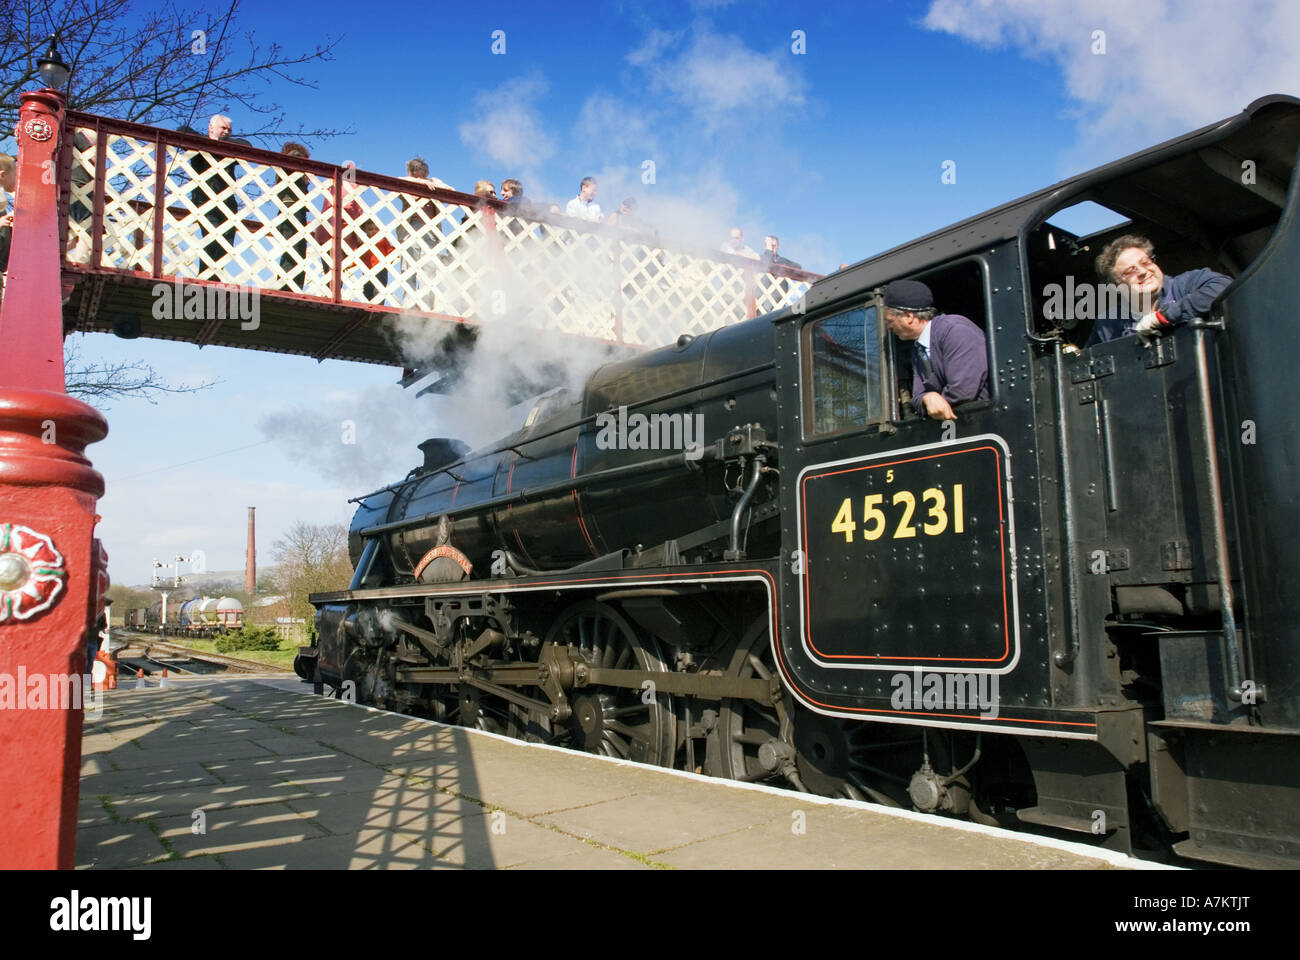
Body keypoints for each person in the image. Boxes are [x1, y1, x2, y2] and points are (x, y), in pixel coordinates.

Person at [1086, 235, 1233, 347]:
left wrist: (1162, 317)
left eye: (1145, 262)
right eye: (1130, 271)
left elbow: (1226, 287)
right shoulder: (1109, 323)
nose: (1143, 271)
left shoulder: (1188, 284)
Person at [883, 279, 989, 421]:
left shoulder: (955, 331)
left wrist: (932, 401)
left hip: (979, 420)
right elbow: (917, 397)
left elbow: (963, 390)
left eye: (890, 321)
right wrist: (928, 397)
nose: (889, 327)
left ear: (909, 317)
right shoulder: (918, 350)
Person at [183, 114, 252, 279]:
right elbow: (183, 130)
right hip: (204, 201)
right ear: (211, 128)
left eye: (229, 129)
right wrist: (209, 144)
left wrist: (221, 147)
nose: (227, 132)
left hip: (227, 202)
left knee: (226, 243)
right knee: (211, 239)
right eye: (223, 128)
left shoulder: (230, 150)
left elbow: (247, 145)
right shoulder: (198, 147)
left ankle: (214, 277)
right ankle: (205, 277)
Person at [276, 142, 312, 292]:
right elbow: (292, 159)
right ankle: (287, 287)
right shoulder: (290, 164)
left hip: (296, 211)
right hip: (290, 209)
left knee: (297, 251)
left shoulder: (289, 169)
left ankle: (292, 286)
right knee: (293, 250)